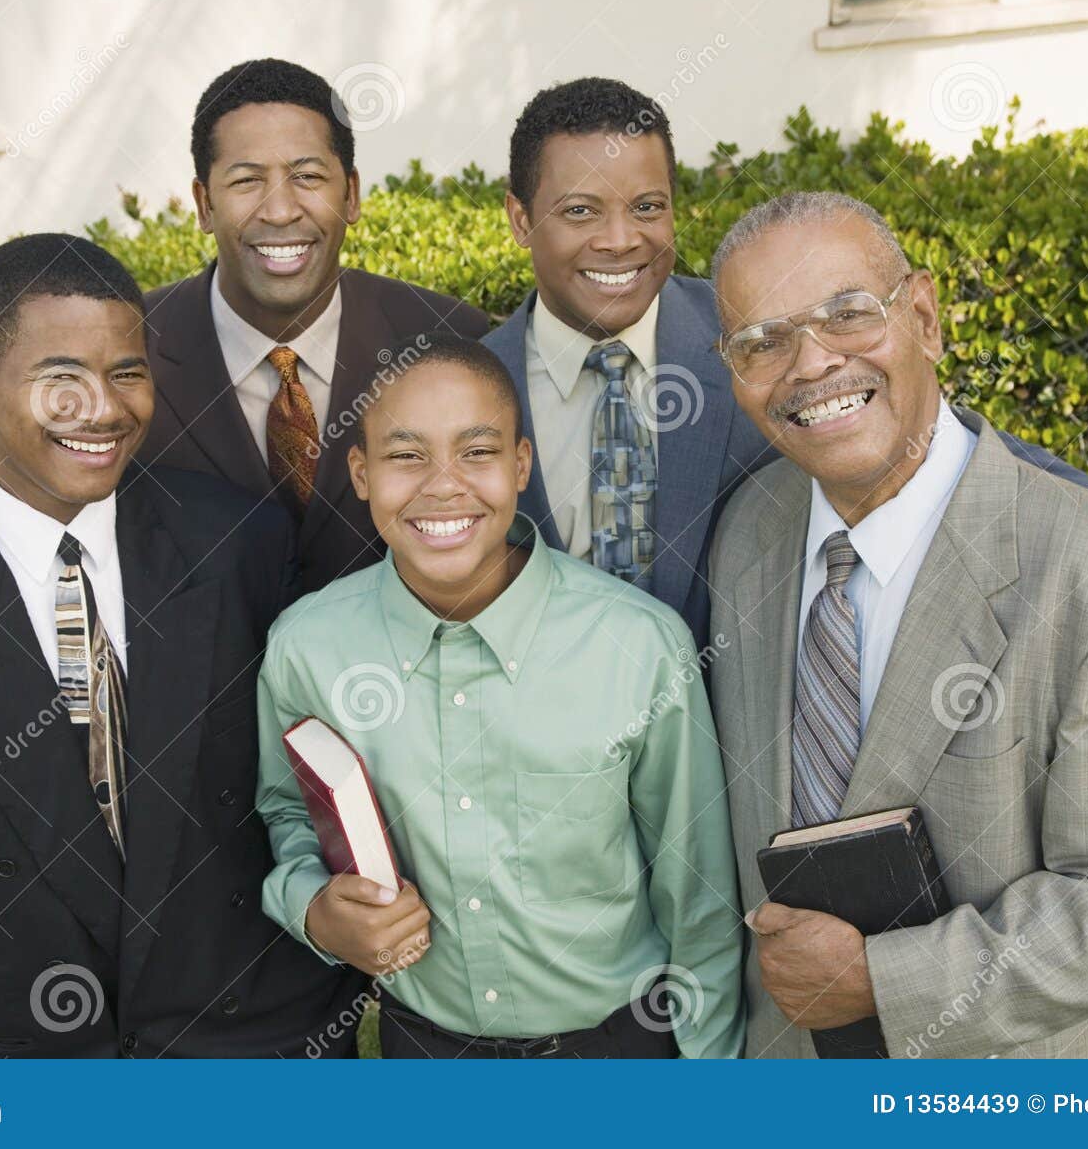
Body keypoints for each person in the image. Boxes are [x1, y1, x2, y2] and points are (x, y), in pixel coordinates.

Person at [0, 234, 359, 1057]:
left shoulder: (240, 542)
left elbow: (302, 788)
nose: (104, 407)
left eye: (127, 372)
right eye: (60, 379)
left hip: (257, 1047)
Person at [485, 77, 1088, 720]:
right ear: (521, 219)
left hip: (732, 795)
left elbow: (950, 450)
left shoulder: (759, 338)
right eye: (580, 212)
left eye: (648, 206)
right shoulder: (467, 386)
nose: (621, 241)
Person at [704, 193, 1088, 1058]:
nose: (811, 362)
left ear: (923, 317)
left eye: (846, 314)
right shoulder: (749, 531)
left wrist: (886, 980)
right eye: (762, 342)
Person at [254, 334, 744, 1058]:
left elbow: (698, 895)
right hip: (423, 1053)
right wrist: (312, 908)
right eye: (406, 454)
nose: (443, 484)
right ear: (360, 473)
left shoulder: (639, 646)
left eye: (477, 452)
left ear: (521, 465)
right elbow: (288, 807)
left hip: (618, 1053)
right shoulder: (307, 646)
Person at [0, 58, 488, 595]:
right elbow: (29, 472)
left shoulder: (450, 337)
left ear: (351, 195)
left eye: (308, 176)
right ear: (204, 204)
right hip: (190, 726)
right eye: (245, 181)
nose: (281, 208)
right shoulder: (121, 348)